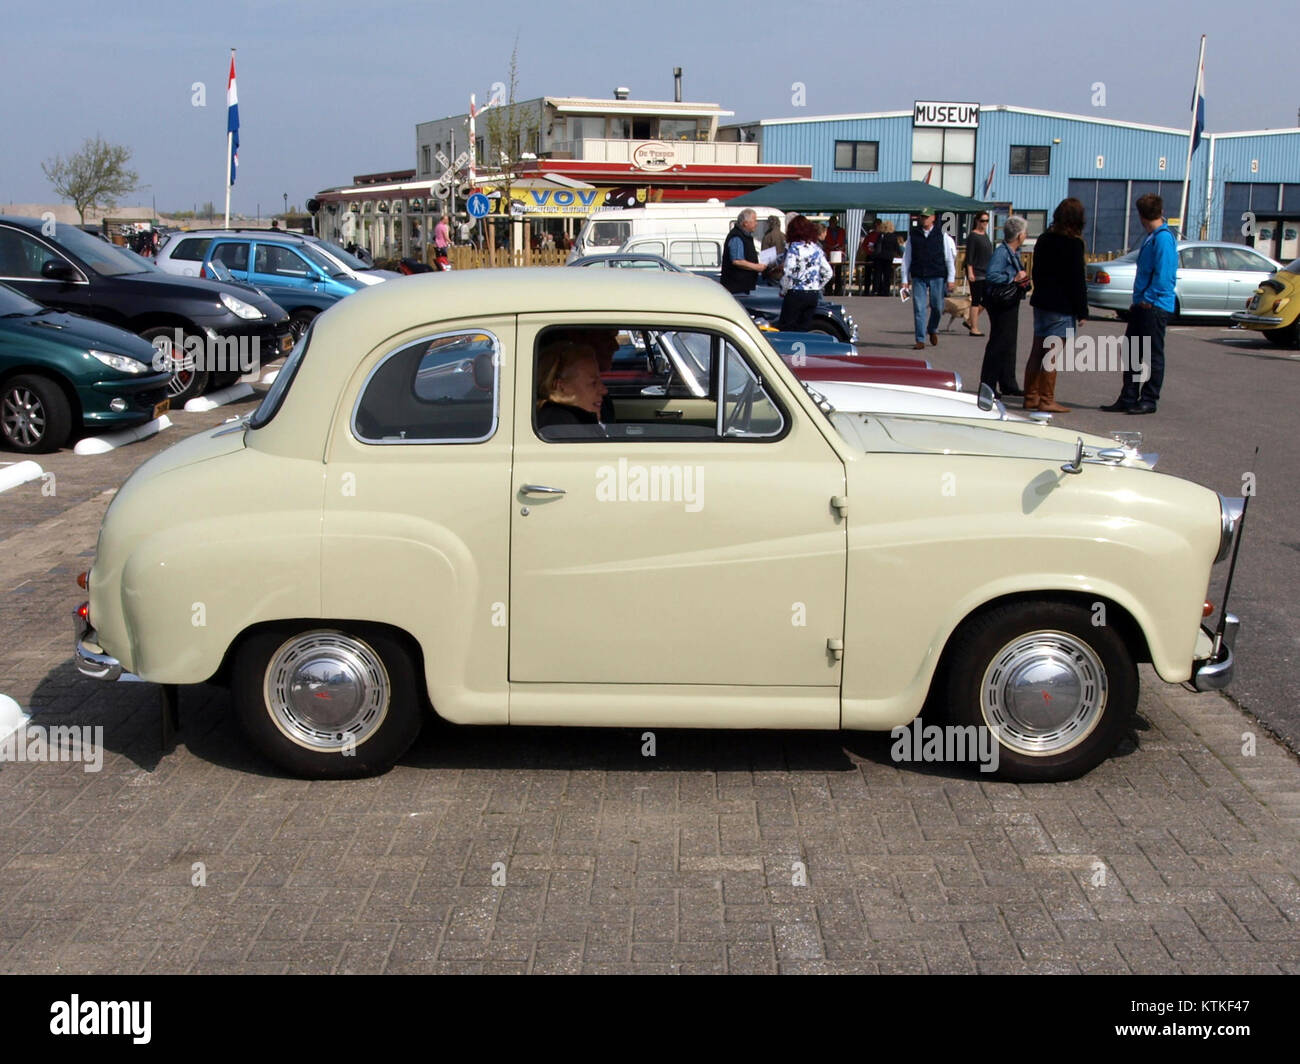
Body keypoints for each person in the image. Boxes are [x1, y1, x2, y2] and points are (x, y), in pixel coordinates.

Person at [1101, 194, 1177, 415]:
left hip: (1154, 305)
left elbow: (1164, 275)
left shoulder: (1162, 238)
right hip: (1143, 303)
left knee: (1153, 354)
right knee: (1132, 350)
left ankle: (1149, 398)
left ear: (1142, 216)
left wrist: (1148, 299)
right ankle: (1128, 396)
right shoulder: (1153, 237)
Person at [1024, 198, 1089, 412]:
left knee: (1036, 351)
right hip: (1062, 305)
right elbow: (1076, 280)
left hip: (1042, 301)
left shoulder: (1044, 239)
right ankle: (1046, 399)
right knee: (1052, 353)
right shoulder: (1074, 244)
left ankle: (1031, 395)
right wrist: (1082, 310)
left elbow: (1036, 271)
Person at [978, 216, 1030, 396]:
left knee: (1009, 342)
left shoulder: (1013, 252)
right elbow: (991, 275)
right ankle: (988, 384)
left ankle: (1008, 382)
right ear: (1020, 235)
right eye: (1024, 232)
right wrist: (1012, 279)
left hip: (1010, 301)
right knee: (999, 342)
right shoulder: (1002, 253)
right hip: (1001, 302)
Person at [900, 208, 956, 349]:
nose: (924, 219)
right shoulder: (913, 235)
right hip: (919, 275)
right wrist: (904, 279)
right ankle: (920, 339)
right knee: (919, 308)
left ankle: (932, 328)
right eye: (922, 217)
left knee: (937, 306)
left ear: (933, 218)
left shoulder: (942, 235)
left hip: (937, 274)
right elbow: (907, 258)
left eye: (926, 217)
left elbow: (949, 258)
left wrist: (951, 278)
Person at [536, 343, 609, 437]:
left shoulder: (572, 422)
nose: (604, 390)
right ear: (560, 387)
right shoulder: (559, 427)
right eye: (593, 383)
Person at [776, 215, 833, 332]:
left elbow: (788, 270)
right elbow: (828, 272)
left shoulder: (794, 247)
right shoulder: (816, 249)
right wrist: (817, 286)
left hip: (795, 293)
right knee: (804, 328)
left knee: (787, 328)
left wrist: (783, 290)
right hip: (812, 295)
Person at [721, 209, 766, 294]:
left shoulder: (745, 236)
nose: (756, 224)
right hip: (736, 287)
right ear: (745, 223)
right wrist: (756, 267)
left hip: (742, 286)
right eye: (754, 221)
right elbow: (737, 261)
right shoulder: (737, 237)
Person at [964, 211, 993, 336]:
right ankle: (974, 328)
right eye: (982, 221)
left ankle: (970, 320)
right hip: (976, 272)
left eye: (986, 221)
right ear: (977, 221)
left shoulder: (985, 235)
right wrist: (970, 271)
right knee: (976, 299)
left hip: (986, 271)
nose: (984, 223)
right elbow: (969, 256)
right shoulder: (973, 236)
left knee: (988, 298)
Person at [872, 222, 899, 297]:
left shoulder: (881, 235)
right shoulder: (894, 237)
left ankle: (876, 290)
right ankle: (886, 291)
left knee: (878, 274)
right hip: (889, 257)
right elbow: (896, 248)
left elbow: (875, 246)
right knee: (887, 275)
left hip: (879, 257)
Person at [823, 214, 846, 295]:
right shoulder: (826, 230)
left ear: (836, 222)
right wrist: (830, 246)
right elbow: (824, 242)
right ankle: (828, 290)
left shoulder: (842, 231)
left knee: (838, 273)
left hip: (838, 255)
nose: (832, 223)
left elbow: (844, 243)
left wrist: (840, 248)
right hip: (828, 254)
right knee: (828, 272)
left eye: (833, 222)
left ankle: (838, 290)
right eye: (830, 222)